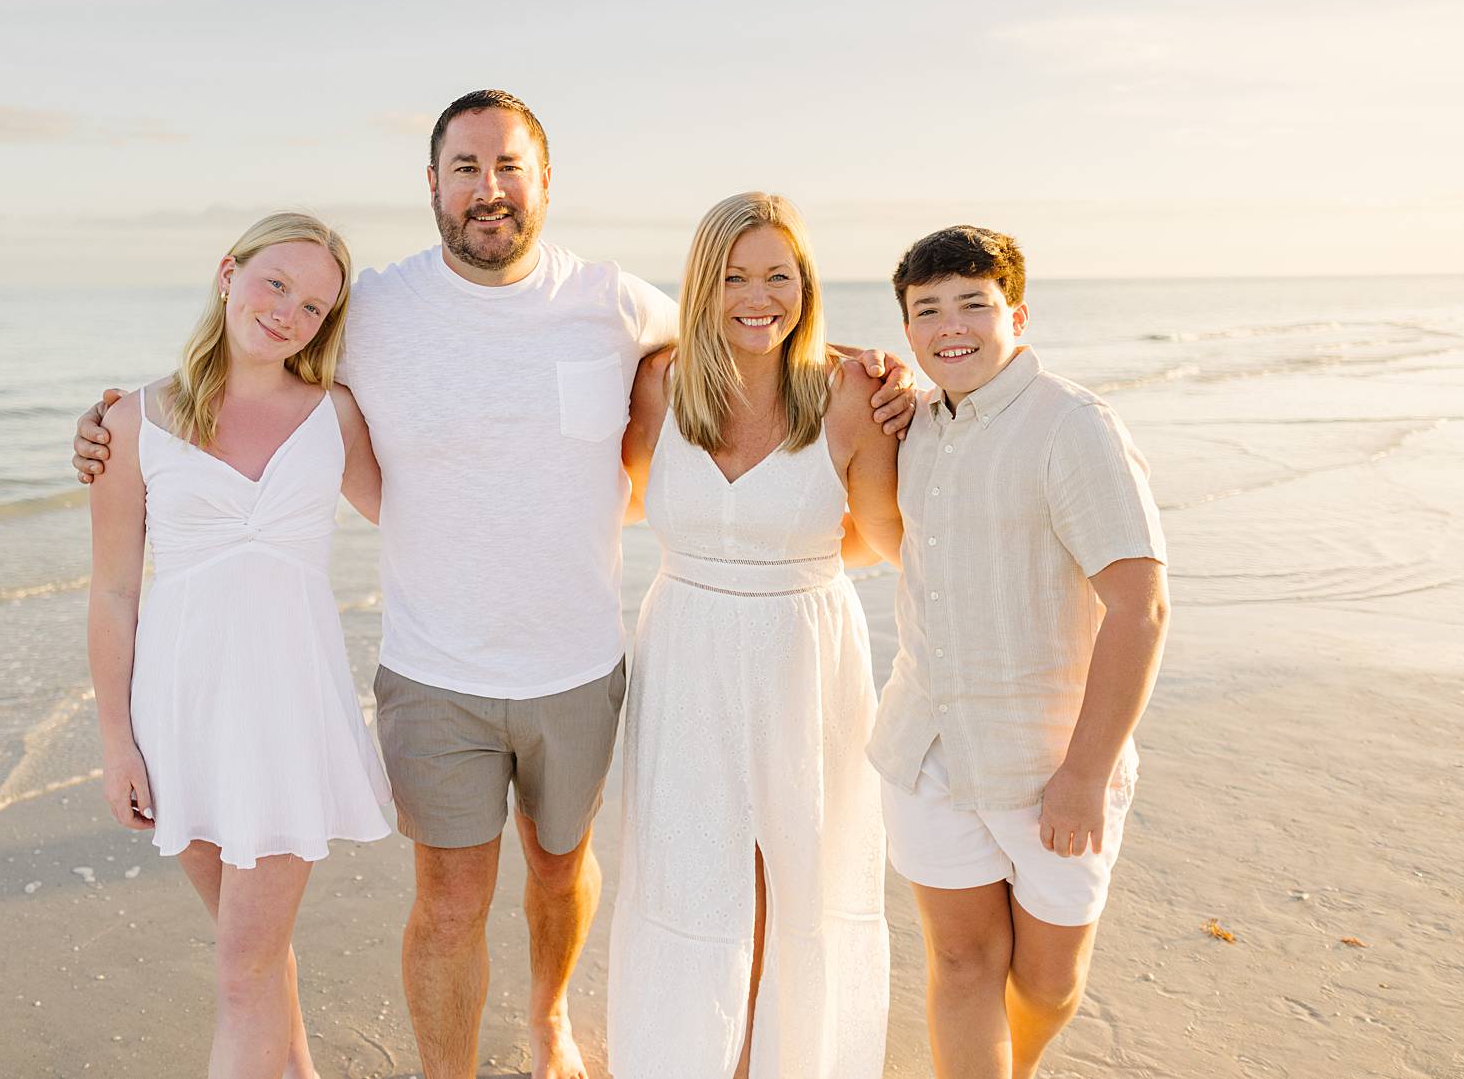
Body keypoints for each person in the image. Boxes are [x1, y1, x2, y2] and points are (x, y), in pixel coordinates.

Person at [73, 90, 918, 1079]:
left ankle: (550, 1020)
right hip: (434, 671)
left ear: (544, 183)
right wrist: (118, 419)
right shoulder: (372, 310)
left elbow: (749, 315)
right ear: (431, 184)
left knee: (562, 875)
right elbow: (255, 358)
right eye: (466, 168)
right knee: (447, 900)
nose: (489, 189)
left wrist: (875, 362)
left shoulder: (608, 301)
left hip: (577, 663)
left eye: (509, 167)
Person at [86, 212, 391, 1079]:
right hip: (179, 718)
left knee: (240, 967)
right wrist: (117, 743)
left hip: (289, 716)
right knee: (254, 950)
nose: (289, 311)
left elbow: (421, 517)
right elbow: (112, 592)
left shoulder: (336, 414)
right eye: (276, 284)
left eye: (315, 305)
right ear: (228, 272)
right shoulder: (133, 419)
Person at [607, 192, 903, 1078]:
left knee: (793, 874)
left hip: (803, 652)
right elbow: (614, 490)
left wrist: (924, 400)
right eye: (733, 276)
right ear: (703, 286)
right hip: (686, 644)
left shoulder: (850, 394)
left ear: (806, 285)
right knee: (690, 870)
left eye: (778, 274)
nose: (756, 296)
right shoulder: (657, 386)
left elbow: (883, 539)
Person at [866, 226, 1170, 1079]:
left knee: (1045, 982)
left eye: (974, 303)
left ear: (1018, 315)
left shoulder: (1073, 427)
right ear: (909, 328)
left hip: (1049, 766)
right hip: (927, 749)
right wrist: (882, 376)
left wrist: (1083, 773)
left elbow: (1140, 609)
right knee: (961, 963)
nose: (950, 325)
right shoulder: (917, 422)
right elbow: (793, 340)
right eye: (927, 310)